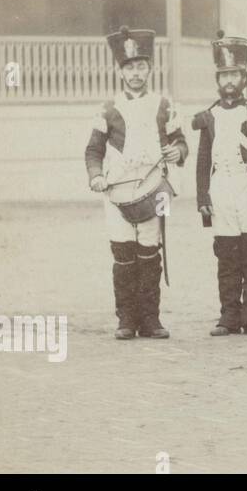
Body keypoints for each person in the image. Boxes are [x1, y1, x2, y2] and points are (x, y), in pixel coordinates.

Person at [85, 27, 189, 340]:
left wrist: (177, 150)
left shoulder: (164, 105)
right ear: (120, 71)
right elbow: (93, 150)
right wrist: (96, 176)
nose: (135, 74)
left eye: (141, 67)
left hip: (154, 188)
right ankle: (126, 320)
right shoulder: (107, 109)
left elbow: (181, 142)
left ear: (149, 69)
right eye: (129, 68)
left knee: (149, 253)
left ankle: (151, 319)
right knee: (123, 253)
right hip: (116, 191)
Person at [192, 31, 247, 337]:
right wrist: (202, 196)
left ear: (244, 77)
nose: (229, 80)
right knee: (227, 256)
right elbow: (204, 161)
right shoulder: (210, 116)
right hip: (222, 190)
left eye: (234, 74)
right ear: (218, 79)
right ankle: (229, 315)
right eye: (224, 74)